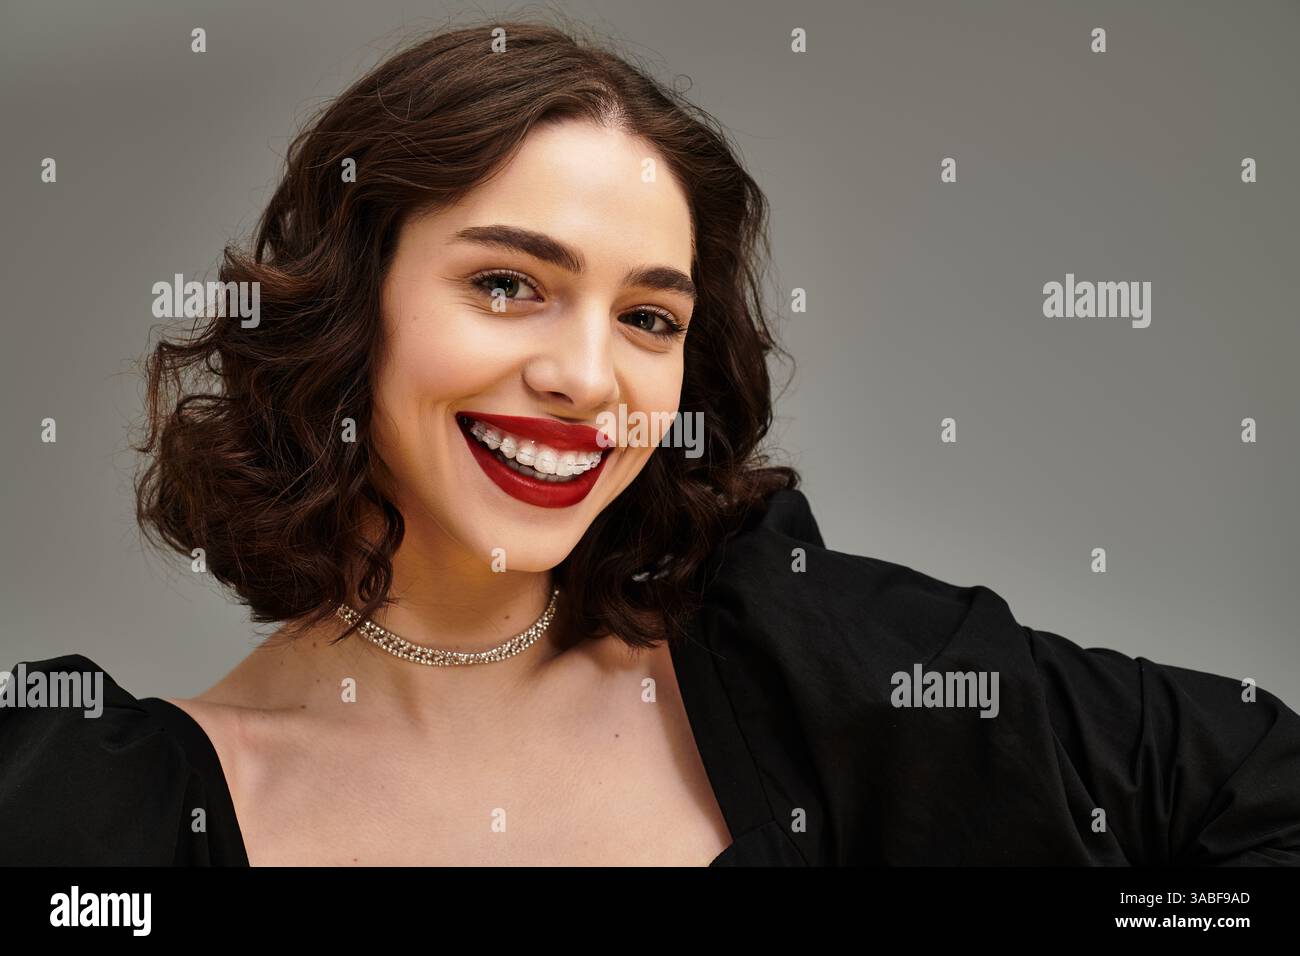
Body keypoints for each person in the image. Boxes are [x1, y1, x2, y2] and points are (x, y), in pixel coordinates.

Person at [1, 20, 1297, 867]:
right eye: (507, 283)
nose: (585, 377)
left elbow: (1261, 786)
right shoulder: (91, 811)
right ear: (351, 306)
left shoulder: (811, 666)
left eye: (648, 317)